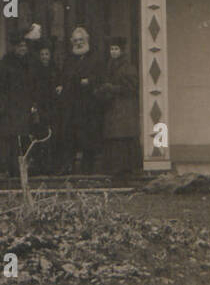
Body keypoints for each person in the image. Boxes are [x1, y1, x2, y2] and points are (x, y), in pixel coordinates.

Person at [55, 26, 103, 174]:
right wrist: (61, 86)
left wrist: (90, 81)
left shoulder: (95, 58)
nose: (79, 43)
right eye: (75, 40)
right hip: (71, 105)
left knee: (88, 137)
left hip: (88, 105)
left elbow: (101, 77)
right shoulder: (69, 60)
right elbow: (63, 76)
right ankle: (68, 167)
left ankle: (87, 169)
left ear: (87, 40)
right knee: (69, 136)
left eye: (81, 40)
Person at [97, 36, 141, 179]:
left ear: (121, 50)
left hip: (124, 107)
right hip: (112, 106)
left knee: (122, 138)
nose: (113, 52)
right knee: (114, 139)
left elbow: (132, 87)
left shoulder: (128, 66)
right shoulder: (110, 65)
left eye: (116, 49)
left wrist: (113, 88)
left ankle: (125, 170)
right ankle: (115, 170)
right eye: (111, 49)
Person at [0, 31, 33, 178]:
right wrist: (5, 104)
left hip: (23, 106)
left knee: (21, 138)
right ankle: (8, 169)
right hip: (9, 107)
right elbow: (0, 89)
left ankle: (20, 169)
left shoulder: (27, 63)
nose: (23, 49)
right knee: (9, 138)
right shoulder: (5, 64)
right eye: (20, 46)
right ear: (14, 47)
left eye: (25, 46)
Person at [27, 35, 57, 175]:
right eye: (42, 54)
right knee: (39, 136)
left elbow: (59, 84)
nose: (45, 57)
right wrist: (33, 106)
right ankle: (38, 166)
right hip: (39, 107)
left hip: (52, 106)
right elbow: (31, 89)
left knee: (51, 136)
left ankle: (50, 166)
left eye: (47, 54)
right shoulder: (35, 71)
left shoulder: (54, 69)